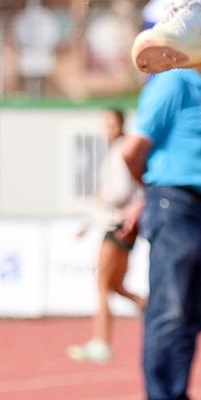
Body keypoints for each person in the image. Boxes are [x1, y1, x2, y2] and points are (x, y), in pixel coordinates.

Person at [118, 18, 201, 400]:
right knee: (170, 305)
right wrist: (152, 189)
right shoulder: (173, 83)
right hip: (177, 202)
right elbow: (133, 150)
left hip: (195, 206)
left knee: (189, 308)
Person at [68, 108, 144, 364]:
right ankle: (148, 306)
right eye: (105, 124)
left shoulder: (121, 151)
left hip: (118, 226)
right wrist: (88, 222)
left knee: (101, 283)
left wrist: (102, 196)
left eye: (111, 124)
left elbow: (120, 192)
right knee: (115, 285)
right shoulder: (117, 151)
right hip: (118, 224)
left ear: (121, 125)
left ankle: (101, 342)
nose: (107, 129)